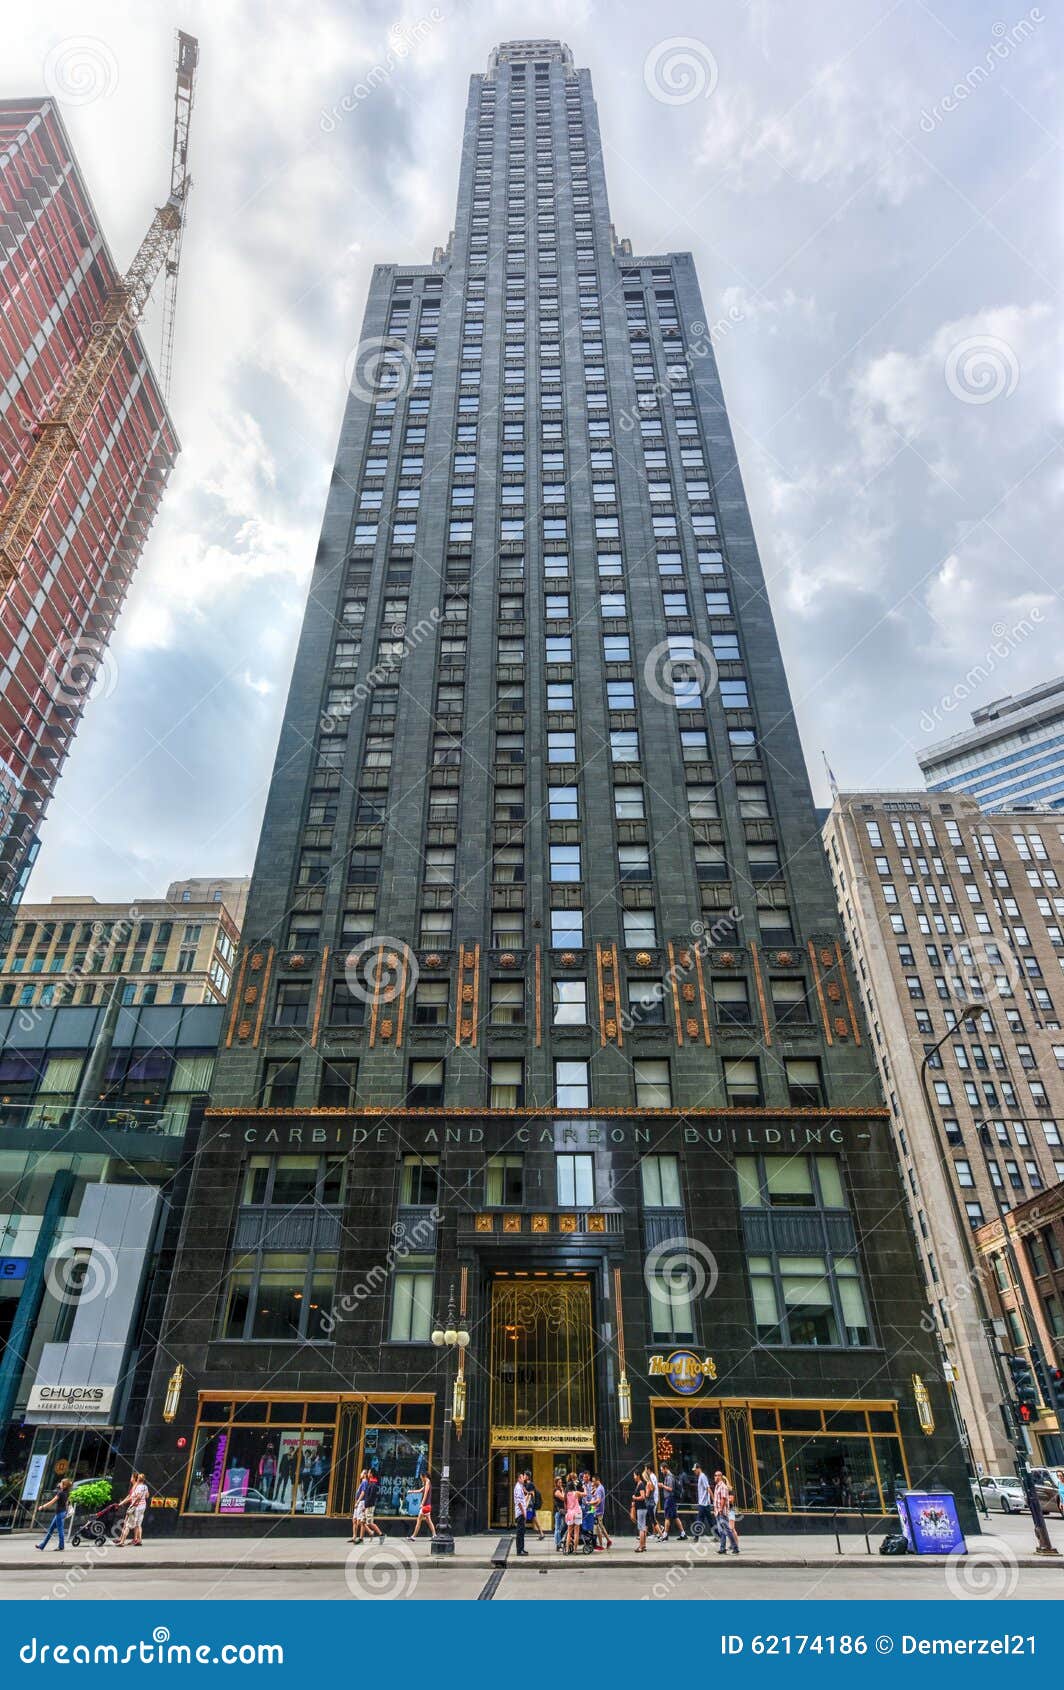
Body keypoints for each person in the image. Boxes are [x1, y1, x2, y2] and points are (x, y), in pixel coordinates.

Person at [34, 1476, 72, 1552]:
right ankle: (42, 1545)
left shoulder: (60, 1493)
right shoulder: (67, 1492)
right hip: (62, 1513)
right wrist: (66, 1512)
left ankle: (61, 1546)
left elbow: (51, 1502)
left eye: (61, 1483)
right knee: (51, 1530)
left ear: (64, 1486)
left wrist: (42, 1506)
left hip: (59, 1513)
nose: (60, 1484)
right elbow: (67, 1503)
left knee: (60, 1530)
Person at [117, 1472, 149, 1546]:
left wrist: (133, 1504)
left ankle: (122, 1542)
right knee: (138, 1525)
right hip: (143, 1507)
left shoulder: (138, 1487)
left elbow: (137, 1497)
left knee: (128, 1525)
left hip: (136, 1507)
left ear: (138, 1479)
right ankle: (139, 1540)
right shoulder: (145, 1487)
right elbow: (147, 1496)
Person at [713, 1469, 739, 1554]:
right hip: (717, 1512)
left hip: (722, 1512)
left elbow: (723, 1499)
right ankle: (722, 1548)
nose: (716, 1477)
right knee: (721, 1531)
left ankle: (735, 1548)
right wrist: (716, 1510)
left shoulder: (723, 1487)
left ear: (721, 1477)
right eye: (715, 1475)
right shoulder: (717, 1486)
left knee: (728, 1530)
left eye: (718, 1475)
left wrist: (720, 1509)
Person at [659, 1462, 686, 1542]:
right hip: (671, 1499)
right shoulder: (669, 1476)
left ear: (665, 1468)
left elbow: (671, 1489)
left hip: (669, 1499)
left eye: (662, 1470)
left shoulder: (670, 1477)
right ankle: (683, 1534)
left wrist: (662, 1486)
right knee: (675, 1517)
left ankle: (665, 1535)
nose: (661, 1471)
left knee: (667, 1517)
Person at [410, 1468, 435, 1538]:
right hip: (428, 1506)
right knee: (429, 1521)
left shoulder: (427, 1483)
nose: (421, 1478)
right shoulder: (427, 1483)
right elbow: (420, 1490)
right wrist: (411, 1491)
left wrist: (422, 1504)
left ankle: (413, 1536)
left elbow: (425, 1494)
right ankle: (434, 1535)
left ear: (424, 1476)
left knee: (419, 1520)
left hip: (425, 1506)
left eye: (421, 1477)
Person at [590, 1473, 611, 1550]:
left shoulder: (599, 1489)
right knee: (601, 1527)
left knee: (598, 1528)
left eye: (594, 1481)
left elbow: (598, 1501)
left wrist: (589, 1503)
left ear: (597, 1480)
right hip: (598, 1511)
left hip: (598, 1511)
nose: (593, 1483)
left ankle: (601, 1545)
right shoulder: (600, 1487)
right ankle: (608, 1541)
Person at [693, 1463, 713, 1540]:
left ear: (699, 1469)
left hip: (703, 1504)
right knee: (709, 1521)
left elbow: (708, 1488)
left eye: (695, 1470)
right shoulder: (701, 1477)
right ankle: (718, 1535)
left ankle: (696, 1536)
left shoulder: (703, 1476)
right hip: (704, 1504)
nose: (694, 1472)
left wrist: (714, 1499)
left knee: (699, 1520)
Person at [362, 1467, 383, 1539]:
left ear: (371, 1474)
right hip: (367, 1505)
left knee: (369, 1523)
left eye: (368, 1472)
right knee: (362, 1521)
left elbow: (371, 1497)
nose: (367, 1474)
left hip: (369, 1506)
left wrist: (365, 1506)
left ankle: (381, 1534)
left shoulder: (374, 1484)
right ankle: (362, 1538)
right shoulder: (370, 1482)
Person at [631, 1467, 648, 1553]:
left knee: (641, 1528)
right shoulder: (639, 1484)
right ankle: (643, 1545)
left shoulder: (641, 1485)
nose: (633, 1477)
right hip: (641, 1508)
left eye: (634, 1475)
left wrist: (635, 1498)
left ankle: (641, 1547)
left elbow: (643, 1497)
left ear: (638, 1476)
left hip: (641, 1508)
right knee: (643, 1527)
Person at [513, 1469, 529, 1555]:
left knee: (522, 1532)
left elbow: (521, 1500)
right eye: (522, 1477)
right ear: (519, 1478)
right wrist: (523, 1512)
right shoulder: (518, 1488)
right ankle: (519, 1550)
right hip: (520, 1513)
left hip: (521, 1513)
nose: (524, 1479)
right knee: (520, 1533)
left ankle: (522, 1549)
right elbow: (519, 1502)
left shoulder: (520, 1487)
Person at [643, 1464, 660, 1540]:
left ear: (648, 1469)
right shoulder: (652, 1476)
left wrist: (647, 1493)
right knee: (651, 1516)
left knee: (652, 1516)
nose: (645, 1471)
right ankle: (655, 1533)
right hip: (653, 1499)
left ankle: (659, 1532)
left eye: (645, 1469)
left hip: (652, 1499)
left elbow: (652, 1488)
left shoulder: (652, 1476)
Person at [350, 1469, 367, 1542]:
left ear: (365, 1474)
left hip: (361, 1502)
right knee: (354, 1520)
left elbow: (363, 1493)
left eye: (361, 1473)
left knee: (360, 1521)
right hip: (358, 1502)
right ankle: (354, 1537)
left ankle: (361, 1537)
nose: (360, 1474)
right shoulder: (362, 1482)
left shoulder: (365, 1482)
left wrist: (358, 1502)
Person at [526, 1475, 545, 1541]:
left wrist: (530, 1504)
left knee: (525, 1517)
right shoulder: (528, 1484)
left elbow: (532, 1494)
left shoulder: (530, 1484)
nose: (524, 1476)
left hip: (530, 1505)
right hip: (530, 1505)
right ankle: (541, 1533)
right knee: (534, 1519)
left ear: (527, 1476)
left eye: (524, 1475)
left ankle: (520, 1532)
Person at [553, 1470, 567, 1551]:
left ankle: (559, 1541)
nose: (560, 1483)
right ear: (556, 1483)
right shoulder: (556, 1491)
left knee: (565, 1526)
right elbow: (563, 1498)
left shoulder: (561, 1489)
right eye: (559, 1482)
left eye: (561, 1482)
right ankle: (558, 1545)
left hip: (564, 1511)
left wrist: (563, 1490)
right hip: (558, 1511)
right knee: (557, 1528)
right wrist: (563, 1491)